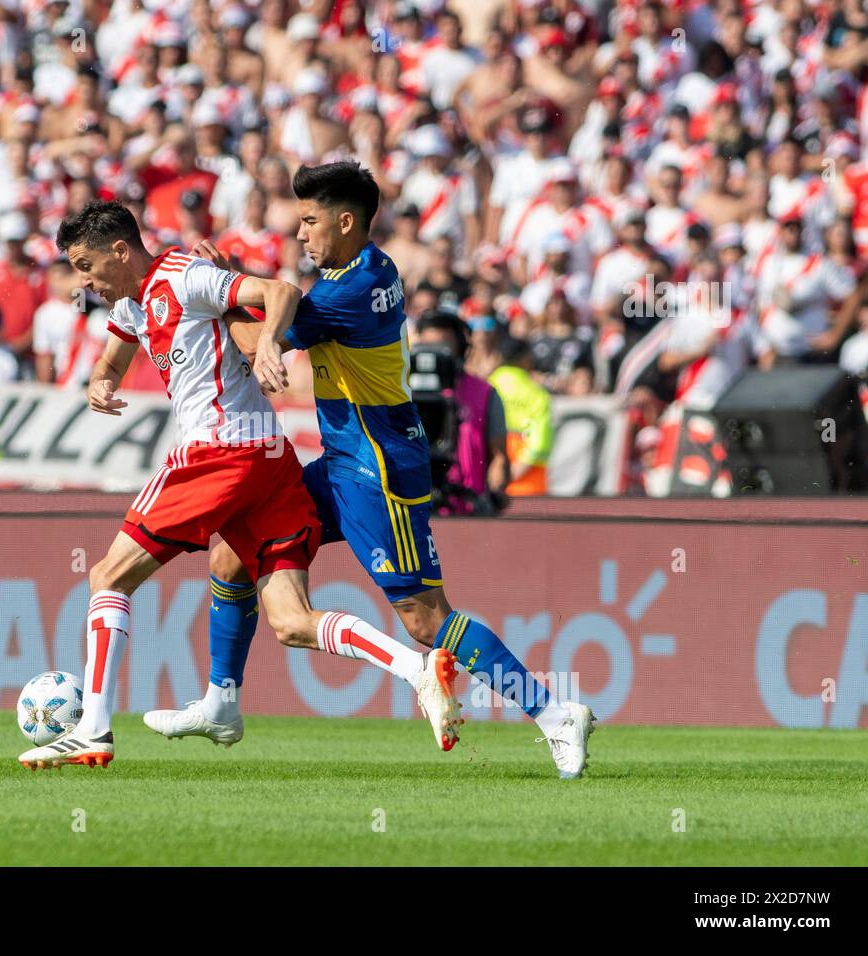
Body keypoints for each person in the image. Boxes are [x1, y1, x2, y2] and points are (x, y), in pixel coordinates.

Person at [146, 162, 594, 779]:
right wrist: (233, 290)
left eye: (309, 220)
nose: (300, 233)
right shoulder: (365, 268)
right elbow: (270, 322)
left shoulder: (345, 293)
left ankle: (554, 713)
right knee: (232, 554)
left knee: (426, 619)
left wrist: (218, 294)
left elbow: (252, 344)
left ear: (345, 220)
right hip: (341, 462)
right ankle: (222, 702)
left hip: (379, 470)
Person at [17, 199, 462, 770]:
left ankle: (92, 729)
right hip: (270, 461)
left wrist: (271, 341)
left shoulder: (185, 275)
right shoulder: (131, 304)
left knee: (107, 575)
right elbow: (109, 364)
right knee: (292, 621)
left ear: (120, 250)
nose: (82, 280)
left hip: (220, 450)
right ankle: (417, 669)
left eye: (85, 264)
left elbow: (279, 292)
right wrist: (99, 386)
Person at [416, 308, 511, 516]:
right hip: (413, 513)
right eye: (428, 345)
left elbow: (499, 457)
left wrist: (493, 496)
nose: (435, 352)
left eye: (444, 345)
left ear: (461, 347)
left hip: (467, 512)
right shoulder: (399, 392)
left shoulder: (485, 393)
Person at [490, 334, 554, 497]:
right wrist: (514, 471)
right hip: (528, 483)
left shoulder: (486, 387)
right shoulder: (537, 393)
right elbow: (540, 443)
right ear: (526, 358)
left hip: (490, 476)